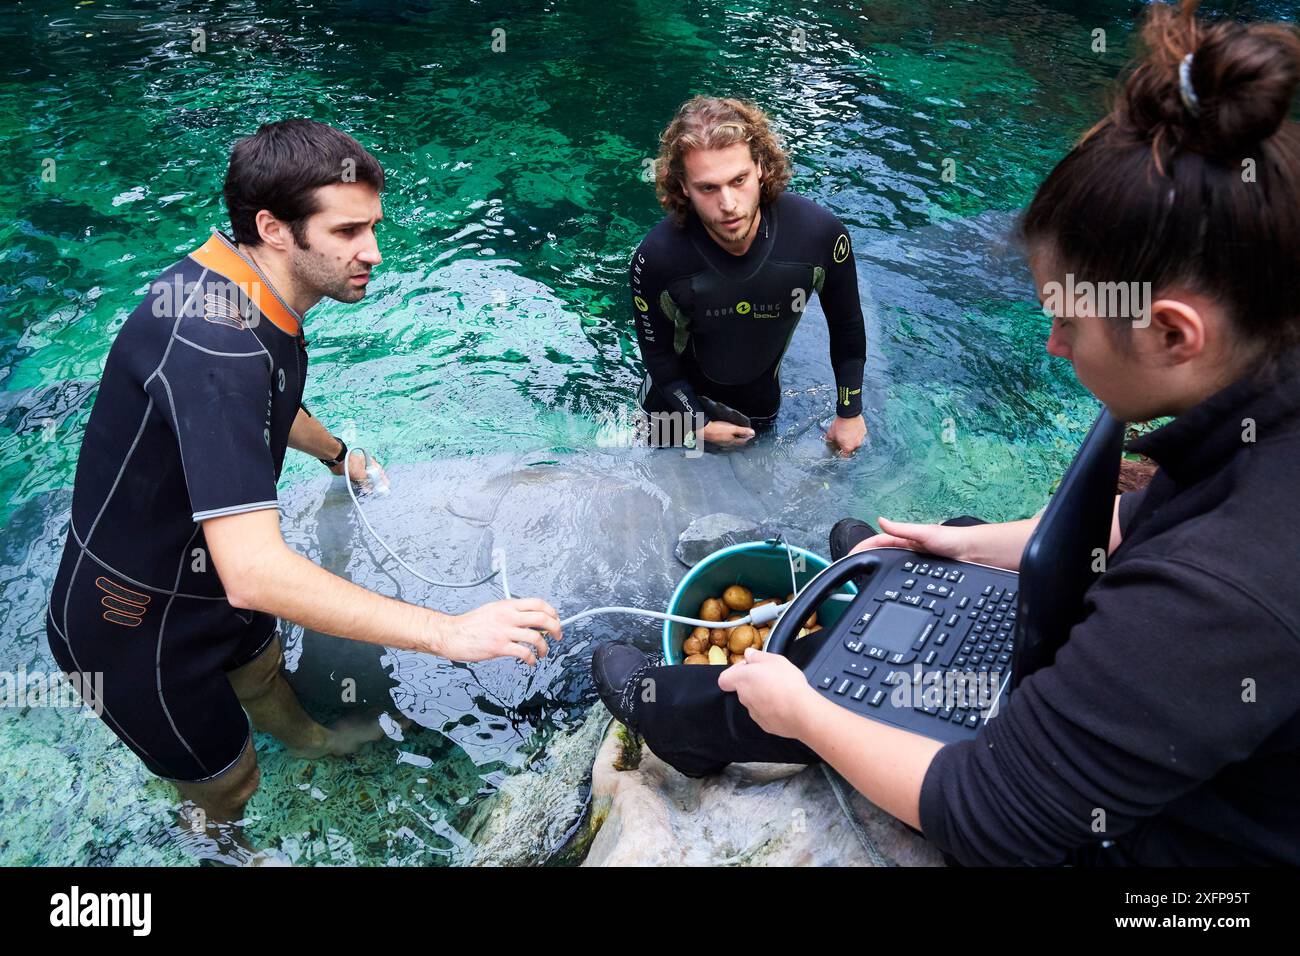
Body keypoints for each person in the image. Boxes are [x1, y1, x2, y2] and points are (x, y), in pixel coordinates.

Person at [593, 0, 1300, 865]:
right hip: (1203, 740)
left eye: (1066, 321)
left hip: (1176, 868)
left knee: (817, 688)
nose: (1054, 343)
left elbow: (1000, 812)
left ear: (1175, 332)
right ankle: (898, 580)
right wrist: (974, 545)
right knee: (939, 554)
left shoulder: (1224, 591)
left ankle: (694, 716)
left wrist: (805, 714)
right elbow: (1148, 525)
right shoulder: (1264, 412)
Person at [43, 119, 561, 859]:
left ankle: (311, 737)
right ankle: (228, 845)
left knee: (261, 672)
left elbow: (266, 401)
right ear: (273, 227)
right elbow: (254, 575)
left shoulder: (240, 284)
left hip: (205, 584)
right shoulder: (214, 345)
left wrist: (336, 452)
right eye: (348, 231)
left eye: (373, 226)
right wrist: (448, 632)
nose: (373, 253)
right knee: (231, 782)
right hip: (136, 630)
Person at [631, 96, 868, 454]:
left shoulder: (818, 235)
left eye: (738, 180)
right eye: (708, 187)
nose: (728, 204)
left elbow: (847, 327)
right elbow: (657, 354)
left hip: (758, 410)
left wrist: (849, 412)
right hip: (669, 413)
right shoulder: (658, 258)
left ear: (759, 165)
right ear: (682, 187)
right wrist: (697, 424)